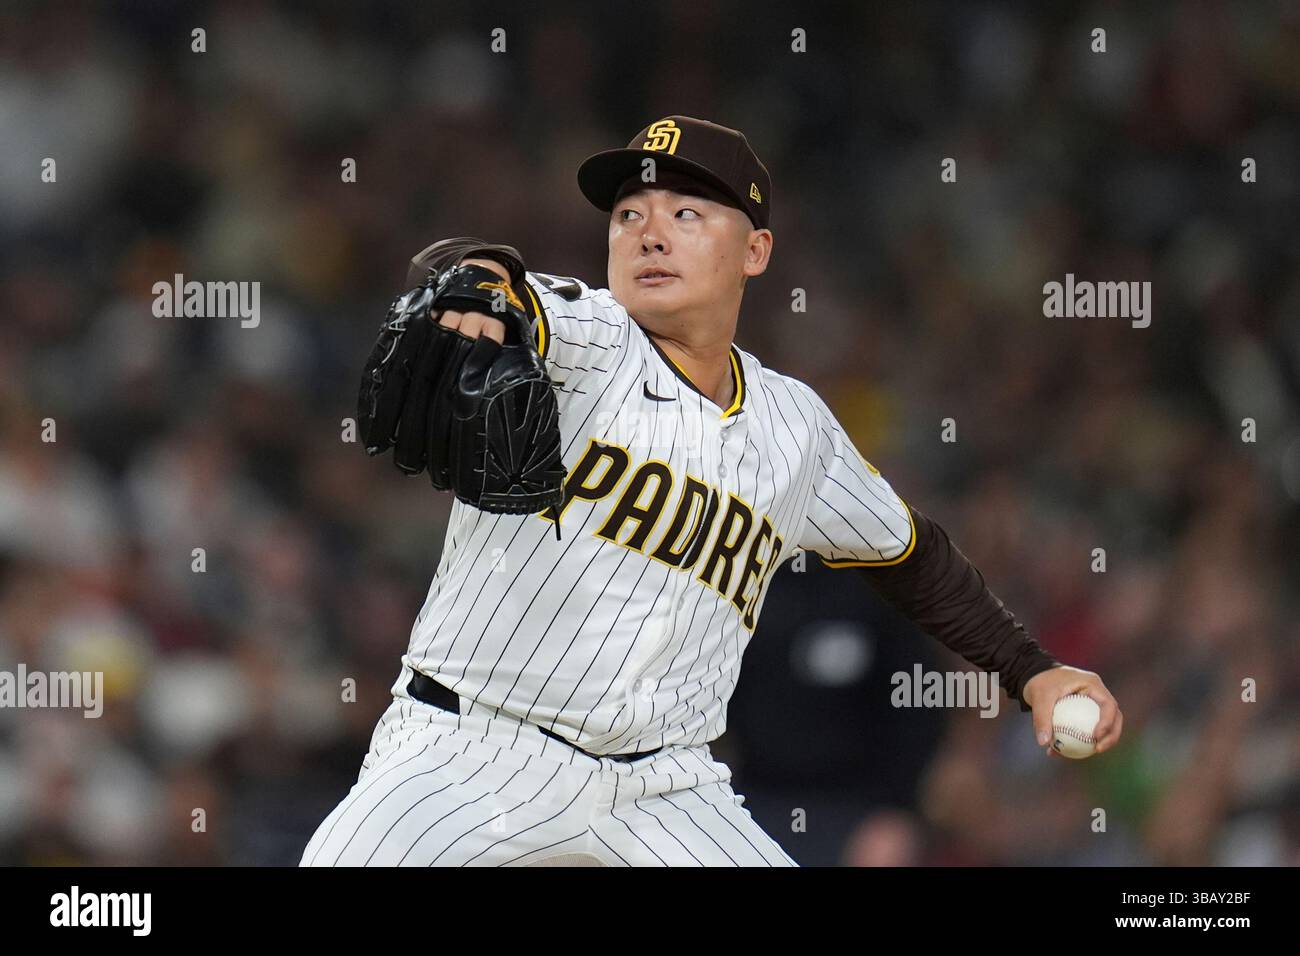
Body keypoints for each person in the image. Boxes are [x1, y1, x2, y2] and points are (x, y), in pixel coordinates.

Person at [300, 115, 1123, 867]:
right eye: (629, 215)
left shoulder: (794, 427)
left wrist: (1032, 670)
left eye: (687, 214)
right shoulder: (586, 336)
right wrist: (477, 283)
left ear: (756, 252)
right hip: (473, 748)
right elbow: (475, 272)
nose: (649, 232)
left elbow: (911, 555)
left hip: (665, 788)